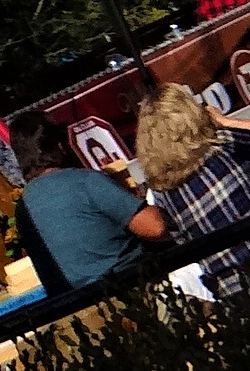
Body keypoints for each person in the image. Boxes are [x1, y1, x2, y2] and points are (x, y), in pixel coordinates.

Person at [135, 82, 250, 290]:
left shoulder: (160, 190)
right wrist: (225, 121)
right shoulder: (221, 146)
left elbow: (177, 236)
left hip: (236, 290)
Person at [9, 111, 165, 294]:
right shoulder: (85, 182)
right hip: (133, 286)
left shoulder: (22, 209)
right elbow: (155, 228)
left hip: (79, 303)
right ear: (60, 146)